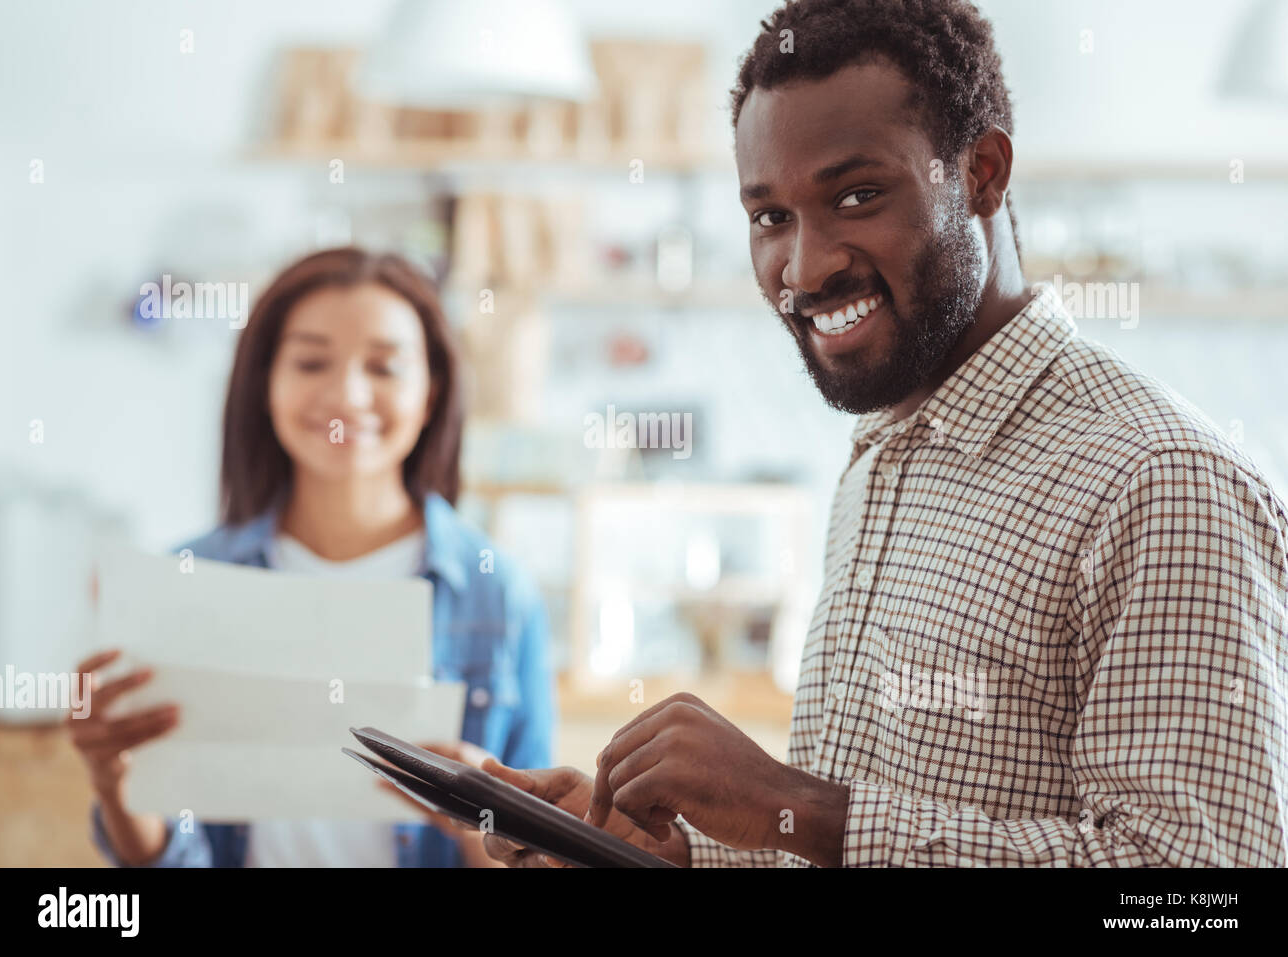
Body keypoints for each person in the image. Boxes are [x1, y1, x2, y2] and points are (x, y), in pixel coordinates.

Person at [478, 0, 1288, 867]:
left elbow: (1202, 898)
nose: (804, 265)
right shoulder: (879, 460)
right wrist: (668, 855)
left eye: (857, 195)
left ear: (982, 173)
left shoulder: (1163, 483)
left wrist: (799, 805)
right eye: (770, 217)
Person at [71, 247, 555, 867]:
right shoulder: (188, 578)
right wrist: (117, 784)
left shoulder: (499, 595)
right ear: (265, 384)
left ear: (430, 394)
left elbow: (540, 860)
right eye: (310, 361)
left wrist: (479, 815)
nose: (347, 395)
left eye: (384, 367)